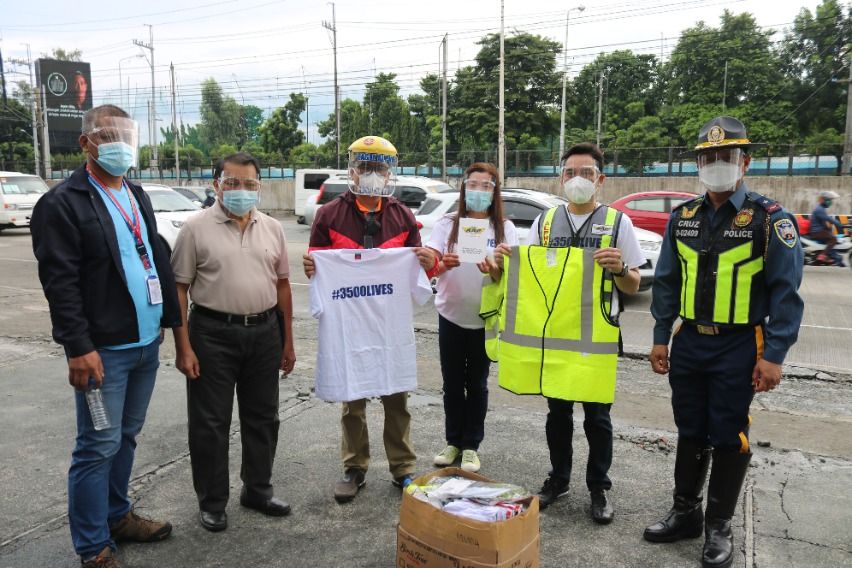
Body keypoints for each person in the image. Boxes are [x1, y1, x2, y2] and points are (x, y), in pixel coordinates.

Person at [645, 116, 804, 568]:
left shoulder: (771, 220)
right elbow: (666, 285)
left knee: (729, 433)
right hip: (690, 341)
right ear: (698, 163)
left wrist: (774, 355)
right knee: (690, 427)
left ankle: (719, 526)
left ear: (745, 162)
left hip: (740, 345)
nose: (717, 164)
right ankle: (685, 514)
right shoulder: (684, 218)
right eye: (708, 157)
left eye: (727, 156)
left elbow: (786, 294)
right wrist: (660, 338)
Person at [31, 104, 179, 568]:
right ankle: (93, 546)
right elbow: (61, 283)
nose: (119, 143)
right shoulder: (62, 203)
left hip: (145, 344)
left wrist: (171, 327)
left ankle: (117, 515)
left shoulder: (135, 193)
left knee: (127, 436)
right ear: (86, 143)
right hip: (102, 354)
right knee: (96, 445)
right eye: (107, 135)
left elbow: (153, 258)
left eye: (125, 135)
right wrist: (78, 347)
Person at [489, 143, 644, 524]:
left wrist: (621, 269)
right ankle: (558, 480)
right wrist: (502, 263)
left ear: (601, 180)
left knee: (597, 418)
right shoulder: (545, 222)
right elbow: (527, 275)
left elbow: (635, 285)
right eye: (570, 173)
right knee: (557, 414)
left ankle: (599, 488)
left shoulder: (618, 223)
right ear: (561, 178)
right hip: (555, 339)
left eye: (587, 173)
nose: (578, 180)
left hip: (595, 339)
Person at [303, 135, 438, 502]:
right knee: (353, 398)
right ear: (353, 169)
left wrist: (428, 262)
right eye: (366, 167)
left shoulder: (402, 215)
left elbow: (422, 268)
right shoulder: (329, 215)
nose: (372, 174)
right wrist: (312, 266)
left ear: (390, 172)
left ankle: (403, 468)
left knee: (397, 398)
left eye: (379, 168)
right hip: (350, 325)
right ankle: (355, 466)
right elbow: (316, 269)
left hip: (389, 326)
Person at [170, 152, 296, 532]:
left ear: (259, 186)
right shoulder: (194, 229)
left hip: (264, 332)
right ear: (216, 185)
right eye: (232, 182)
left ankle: (257, 489)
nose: (240, 190)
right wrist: (183, 346)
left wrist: (288, 341)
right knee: (210, 423)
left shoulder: (272, 228)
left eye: (249, 184)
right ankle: (212, 501)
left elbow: (283, 285)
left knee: (263, 417)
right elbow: (179, 289)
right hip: (212, 334)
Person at [425, 162, 518, 473]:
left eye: (486, 185)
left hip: (485, 319)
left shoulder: (505, 229)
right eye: (473, 184)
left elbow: (513, 278)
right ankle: (453, 441)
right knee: (452, 383)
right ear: (464, 187)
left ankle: (471, 446)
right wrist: (443, 265)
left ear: (495, 191)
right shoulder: (447, 223)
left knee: (477, 384)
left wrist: (495, 270)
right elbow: (431, 268)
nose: (479, 190)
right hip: (450, 314)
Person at [808, 190, 845, 266]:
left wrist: (829, 229)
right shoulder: (819, 209)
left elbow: (824, 222)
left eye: (831, 200)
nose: (830, 202)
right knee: (833, 239)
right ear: (823, 200)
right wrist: (837, 223)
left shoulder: (821, 209)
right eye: (829, 200)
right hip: (817, 232)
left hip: (819, 231)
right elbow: (828, 219)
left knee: (832, 238)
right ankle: (822, 255)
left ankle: (831, 256)